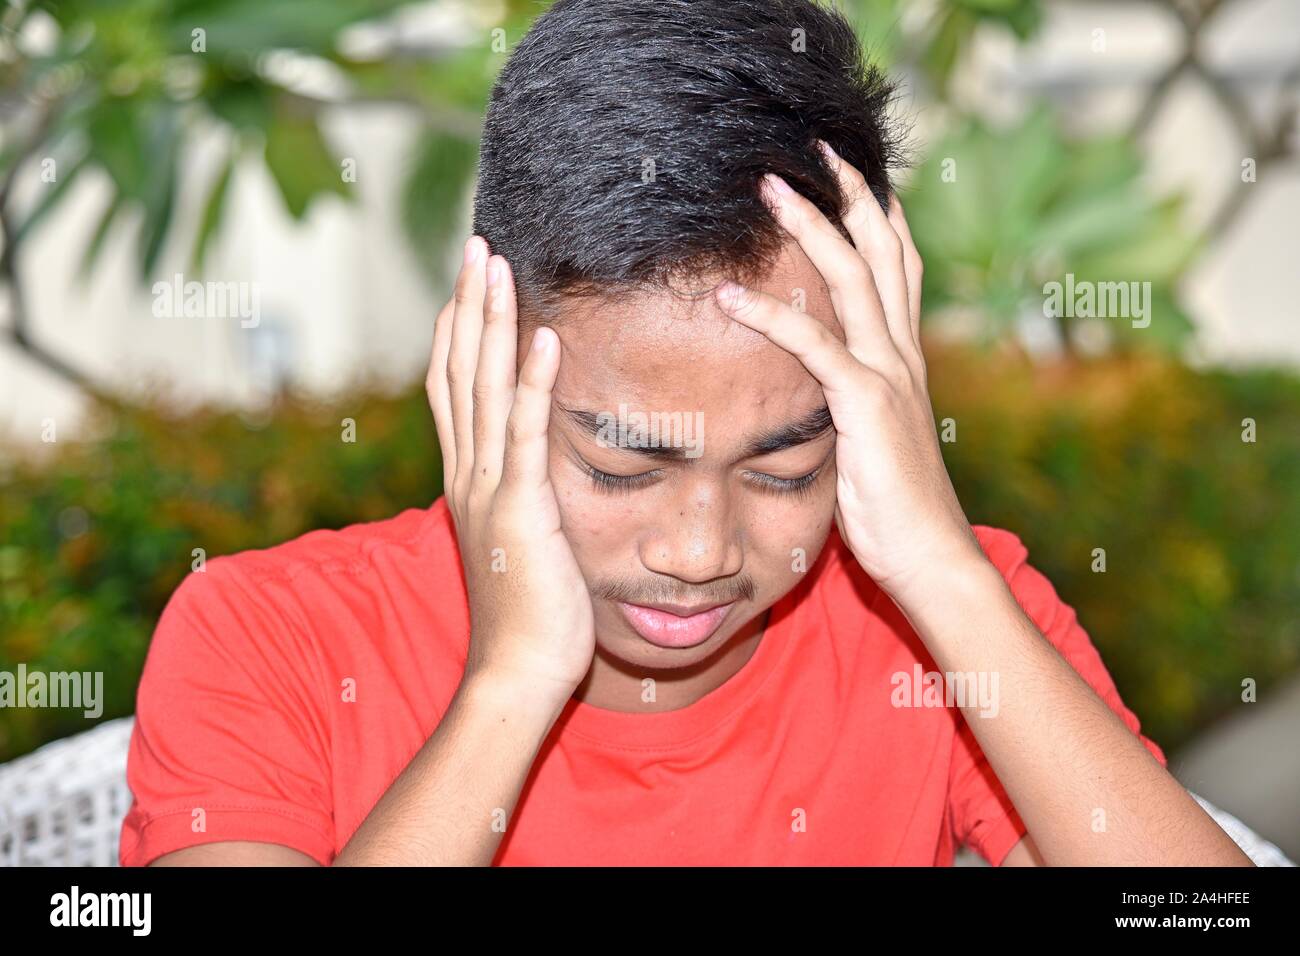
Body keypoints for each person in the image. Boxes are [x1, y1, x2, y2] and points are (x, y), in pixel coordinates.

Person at [120, 0, 1250, 866]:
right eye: (621, 462)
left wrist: (946, 578)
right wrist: (511, 680)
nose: (701, 547)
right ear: (486, 356)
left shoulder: (945, 625)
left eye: (787, 462)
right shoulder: (263, 638)